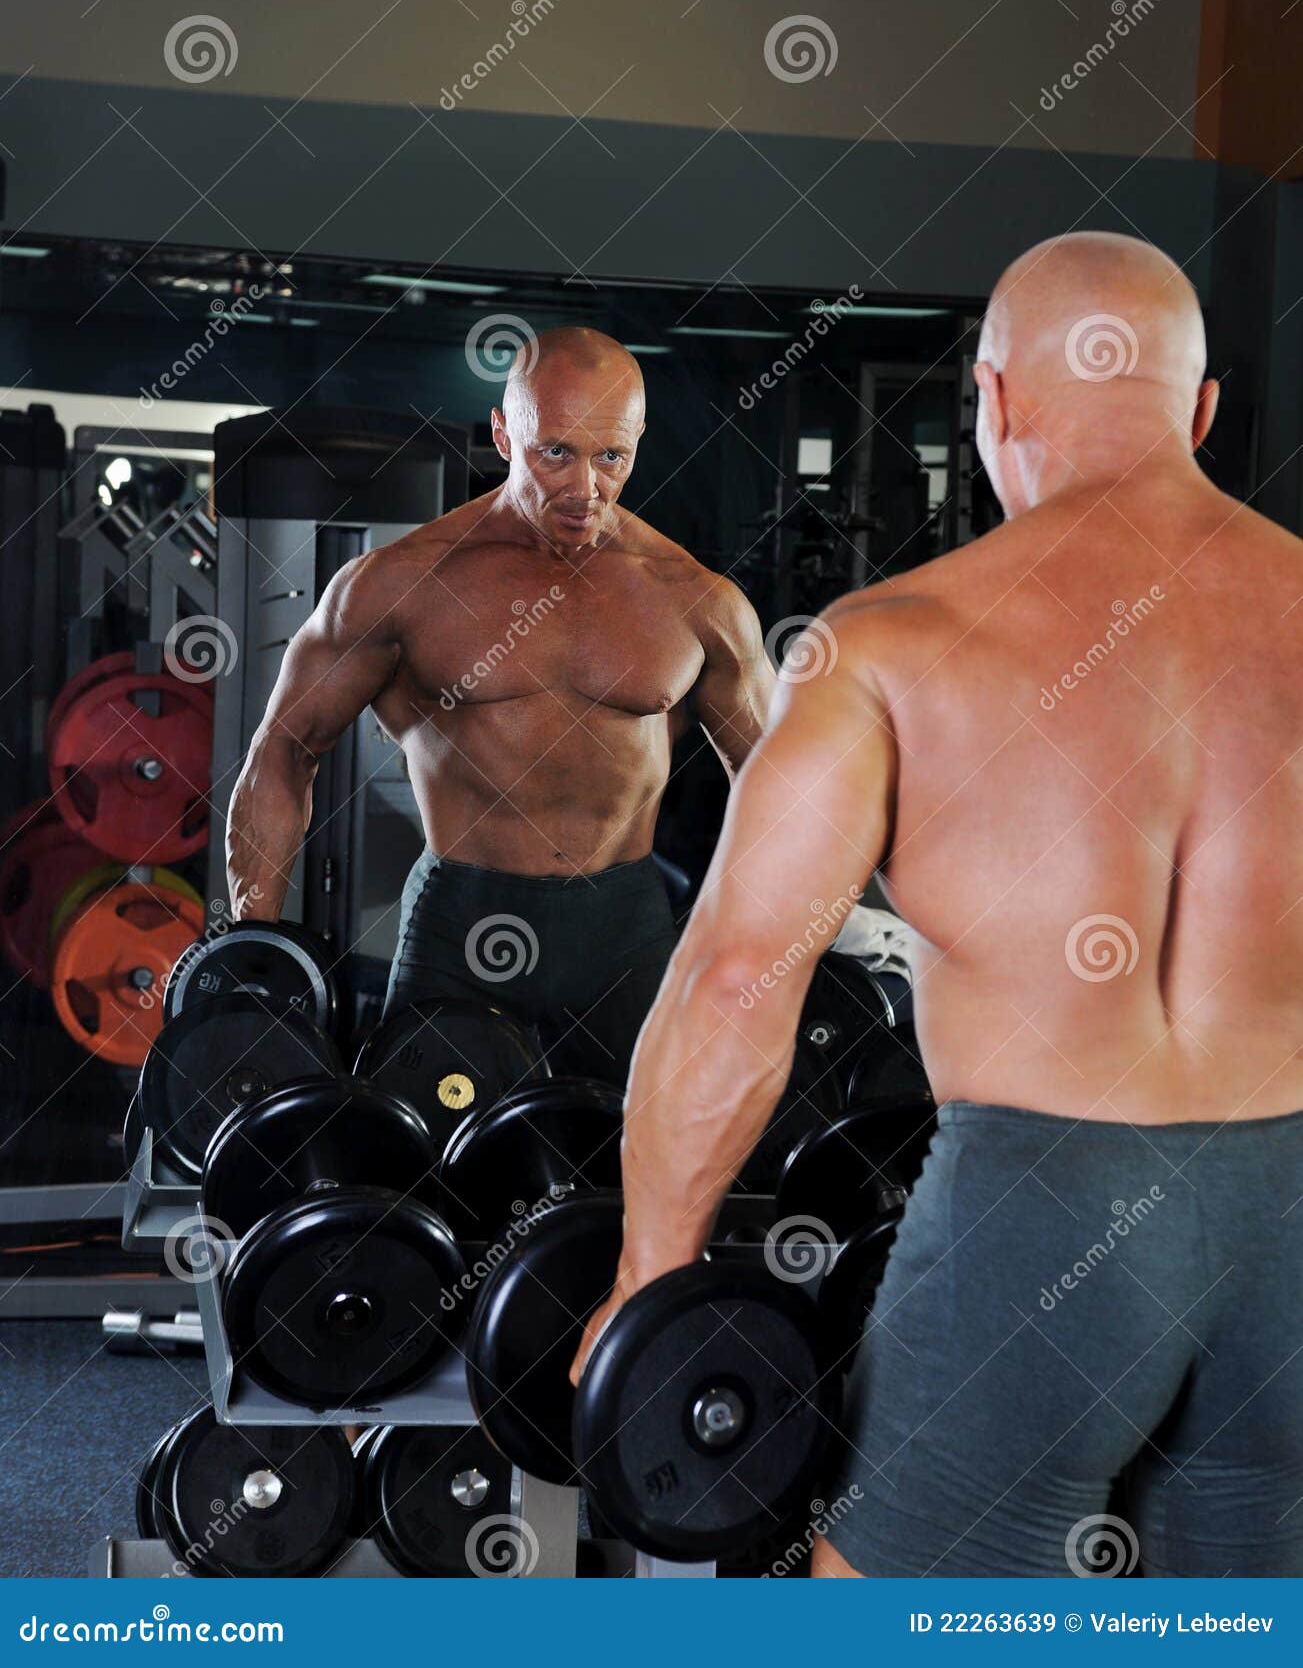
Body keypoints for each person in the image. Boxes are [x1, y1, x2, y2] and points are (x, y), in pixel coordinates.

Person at [574, 232, 1303, 1577]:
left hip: (1050, 1208)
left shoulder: (891, 645)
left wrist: (650, 1278)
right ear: (1200, 412)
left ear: (993, 396)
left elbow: (741, 976)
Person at [226, 327, 773, 1082]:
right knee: (420, 1173)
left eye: (610, 456)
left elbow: (778, 782)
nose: (584, 488)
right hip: (460, 928)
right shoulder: (400, 584)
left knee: (642, 1176)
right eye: (556, 452)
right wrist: (252, 947)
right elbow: (285, 750)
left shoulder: (696, 599)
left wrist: (792, 932)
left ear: (638, 440)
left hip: (624, 933)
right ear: (501, 433)